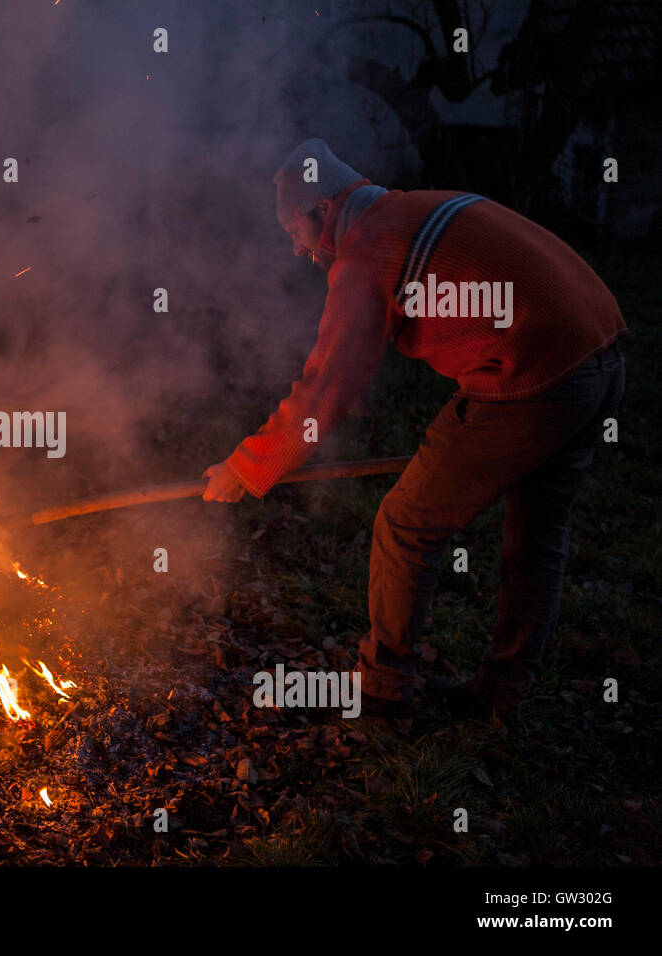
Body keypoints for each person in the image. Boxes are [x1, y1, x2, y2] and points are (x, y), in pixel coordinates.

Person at [203, 138, 627, 724]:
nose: (295, 247)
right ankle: (500, 696)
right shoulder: (410, 208)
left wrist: (245, 469)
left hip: (536, 374)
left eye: (294, 229)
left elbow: (322, 391)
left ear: (324, 211)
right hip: (600, 349)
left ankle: (382, 691)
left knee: (406, 524)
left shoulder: (365, 254)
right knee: (537, 533)